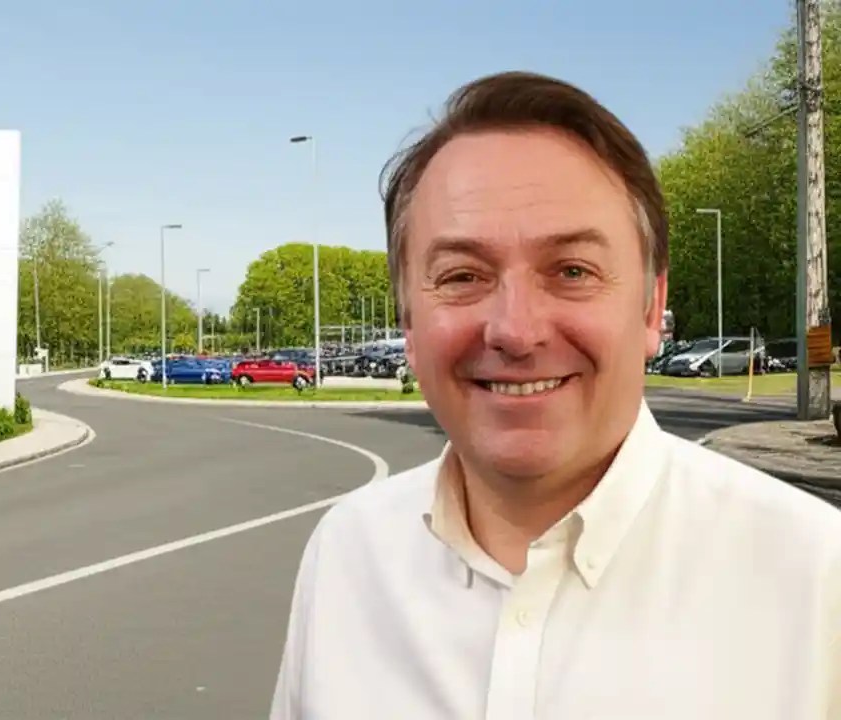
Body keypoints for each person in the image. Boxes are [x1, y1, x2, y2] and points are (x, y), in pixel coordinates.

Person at [269, 71, 841, 719]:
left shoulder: (815, 582)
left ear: (651, 307)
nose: (515, 330)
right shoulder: (347, 557)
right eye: (462, 276)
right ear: (409, 320)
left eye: (572, 271)